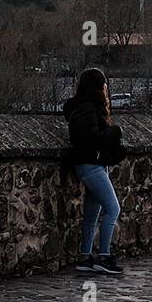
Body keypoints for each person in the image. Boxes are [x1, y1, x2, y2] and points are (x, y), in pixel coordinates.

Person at [63, 68, 126, 275]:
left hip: (89, 165)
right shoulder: (89, 109)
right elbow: (92, 138)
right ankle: (104, 256)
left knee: (92, 213)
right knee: (112, 208)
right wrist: (114, 132)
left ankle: (85, 257)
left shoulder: (83, 108)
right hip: (91, 165)